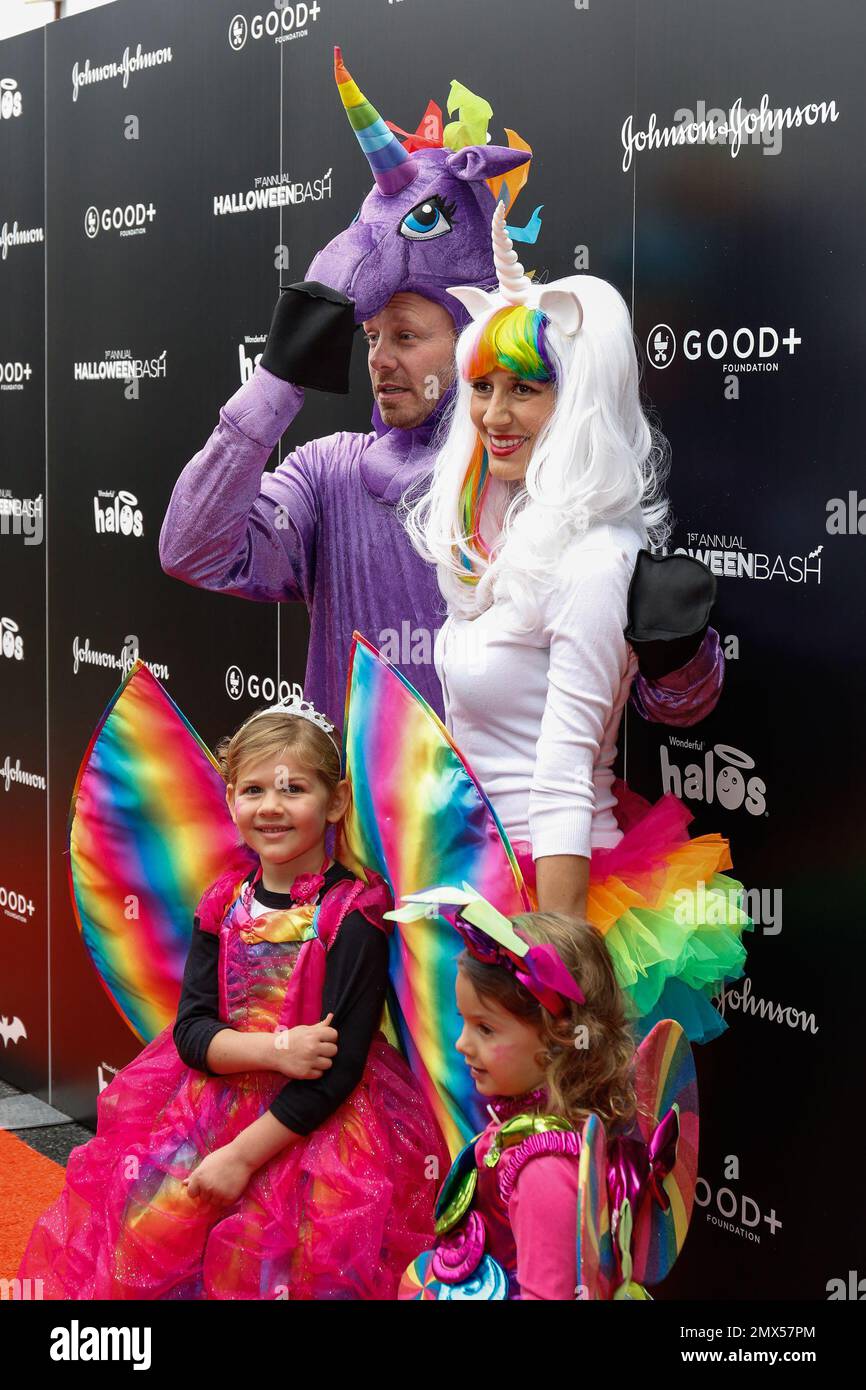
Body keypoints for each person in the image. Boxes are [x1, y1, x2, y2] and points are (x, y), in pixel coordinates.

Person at [158, 47, 723, 732]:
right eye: (370, 337)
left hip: (501, 805)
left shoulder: (546, 485)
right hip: (361, 805)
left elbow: (671, 707)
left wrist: (675, 651)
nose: (380, 359)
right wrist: (279, 379)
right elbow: (193, 550)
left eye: (405, 335)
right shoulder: (330, 475)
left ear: (469, 337)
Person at [402, 202, 751, 1044]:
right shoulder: (496, 531)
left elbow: (561, 776)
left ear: (581, 401)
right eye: (483, 387)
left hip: (554, 893)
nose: (495, 415)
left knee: (558, 1118)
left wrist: (551, 981)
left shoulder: (596, 558)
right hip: (480, 879)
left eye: (526, 389)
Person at [16, 698, 449, 1300]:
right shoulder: (223, 903)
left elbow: (337, 1068)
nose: (271, 806)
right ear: (230, 800)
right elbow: (192, 1033)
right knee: (147, 1234)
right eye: (253, 790)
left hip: (320, 1128)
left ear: (337, 801)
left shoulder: (353, 913)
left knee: (284, 1265)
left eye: (293, 789)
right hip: (211, 1105)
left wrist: (242, 1158)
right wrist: (277, 1050)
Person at [392, 886, 698, 1300]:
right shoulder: (538, 1131)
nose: (462, 1043)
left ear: (558, 1037)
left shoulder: (543, 1172)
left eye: (485, 1029)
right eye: (464, 1020)